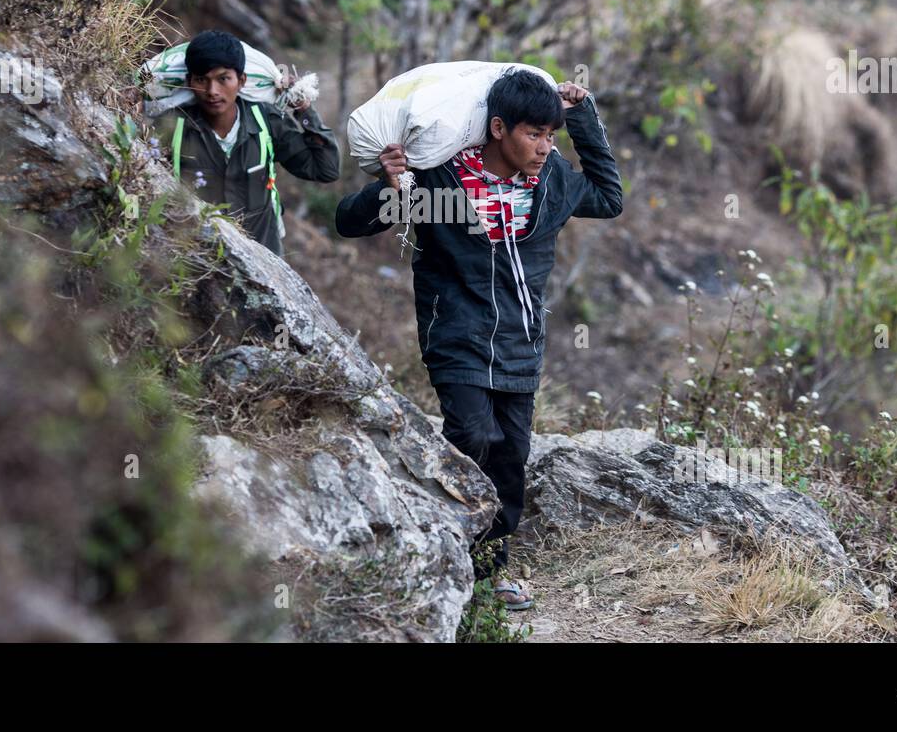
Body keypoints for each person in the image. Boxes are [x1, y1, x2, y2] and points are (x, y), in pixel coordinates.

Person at [335, 68, 623, 609]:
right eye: (532, 134)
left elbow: (610, 198)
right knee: (472, 437)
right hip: (456, 336)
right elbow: (348, 222)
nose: (543, 147)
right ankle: (449, 553)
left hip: (521, 344)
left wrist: (582, 118)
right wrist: (389, 188)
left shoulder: (553, 183)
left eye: (550, 136)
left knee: (511, 456)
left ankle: (488, 574)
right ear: (497, 128)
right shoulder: (438, 180)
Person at [152, 30, 340, 257]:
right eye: (202, 80)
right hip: (194, 265)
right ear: (189, 81)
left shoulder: (265, 120)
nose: (212, 91)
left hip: (263, 263)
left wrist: (304, 109)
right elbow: (141, 184)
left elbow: (326, 169)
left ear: (241, 81)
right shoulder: (172, 126)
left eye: (223, 79)